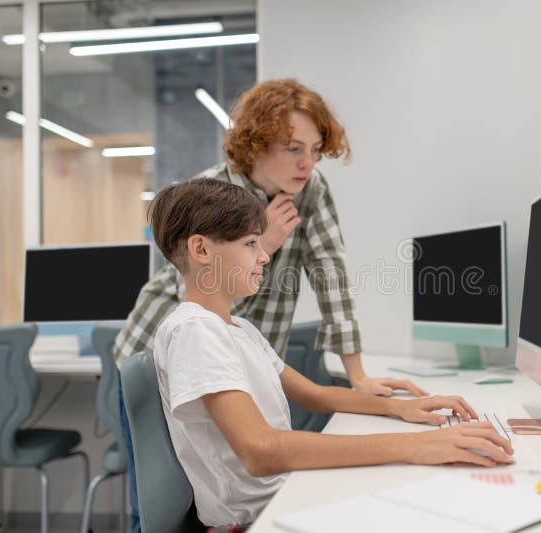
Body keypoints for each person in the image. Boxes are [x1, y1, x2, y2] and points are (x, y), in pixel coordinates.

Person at [114, 78, 427, 531]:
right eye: (293, 148)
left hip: (230, 332)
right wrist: (271, 240)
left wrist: (359, 377)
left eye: (316, 149)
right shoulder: (211, 193)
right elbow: (195, 285)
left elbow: (330, 274)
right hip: (174, 335)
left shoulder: (310, 191)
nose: (308, 163)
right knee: (161, 498)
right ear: (255, 145)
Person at [149, 178, 514, 529]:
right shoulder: (194, 331)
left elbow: (317, 396)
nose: (264, 257)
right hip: (256, 519)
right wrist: (416, 445)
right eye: (249, 244)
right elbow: (261, 451)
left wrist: (399, 407)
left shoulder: (238, 329)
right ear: (201, 250)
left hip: (284, 495)